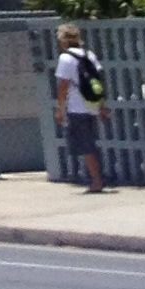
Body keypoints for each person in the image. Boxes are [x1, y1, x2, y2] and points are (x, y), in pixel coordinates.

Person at [52, 23, 107, 192]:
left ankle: (96, 180)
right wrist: (102, 105)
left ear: (63, 41)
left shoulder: (66, 58)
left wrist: (60, 109)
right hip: (92, 105)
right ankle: (95, 177)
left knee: (85, 145)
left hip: (77, 106)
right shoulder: (89, 54)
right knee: (88, 143)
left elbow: (63, 86)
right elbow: (98, 81)